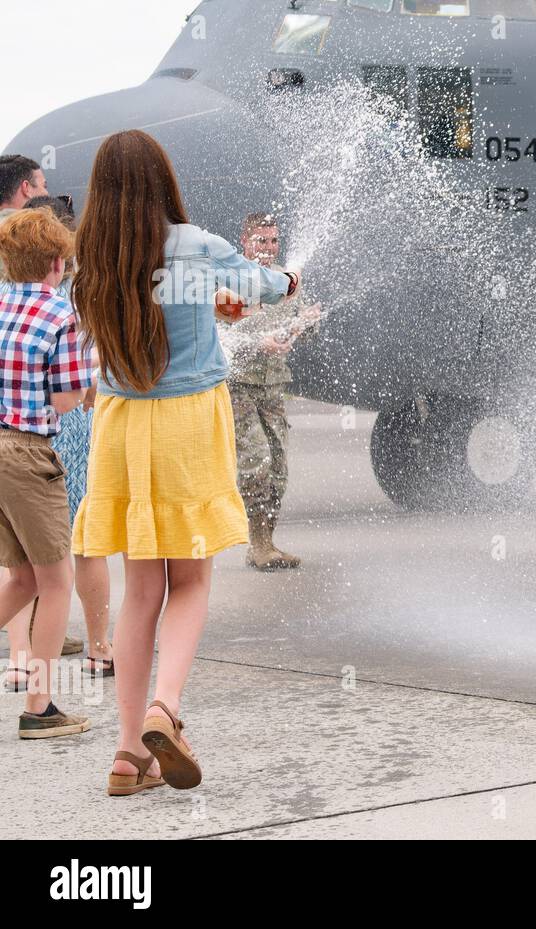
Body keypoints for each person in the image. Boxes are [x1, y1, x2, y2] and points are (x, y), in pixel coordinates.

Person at [71, 130, 300, 795]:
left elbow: (143, 307)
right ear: (162, 180)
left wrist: (207, 302)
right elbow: (264, 284)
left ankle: (125, 754)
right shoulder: (195, 244)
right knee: (191, 583)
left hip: (119, 426)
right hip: (186, 423)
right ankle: (164, 710)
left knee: (140, 591)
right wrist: (286, 278)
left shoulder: (92, 253)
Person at [0, 207, 94, 737]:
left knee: (21, 579)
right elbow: (63, 400)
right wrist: (87, 385)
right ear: (57, 263)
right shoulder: (61, 314)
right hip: (28, 453)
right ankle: (40, 708)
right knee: (56, 582)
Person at [218, 212, 323, 571]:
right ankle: (258, 544)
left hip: (274, 387)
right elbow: (221, 337)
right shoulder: (229, 280)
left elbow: (301, 334)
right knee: (256, 460)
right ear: (245, 241)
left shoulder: (285, 281)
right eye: (261, 241)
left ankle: (268, 541)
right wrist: (257, 344)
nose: (268, 248)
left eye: (274, 240)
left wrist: (307, 324)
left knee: (279, 466)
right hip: (238, 386)